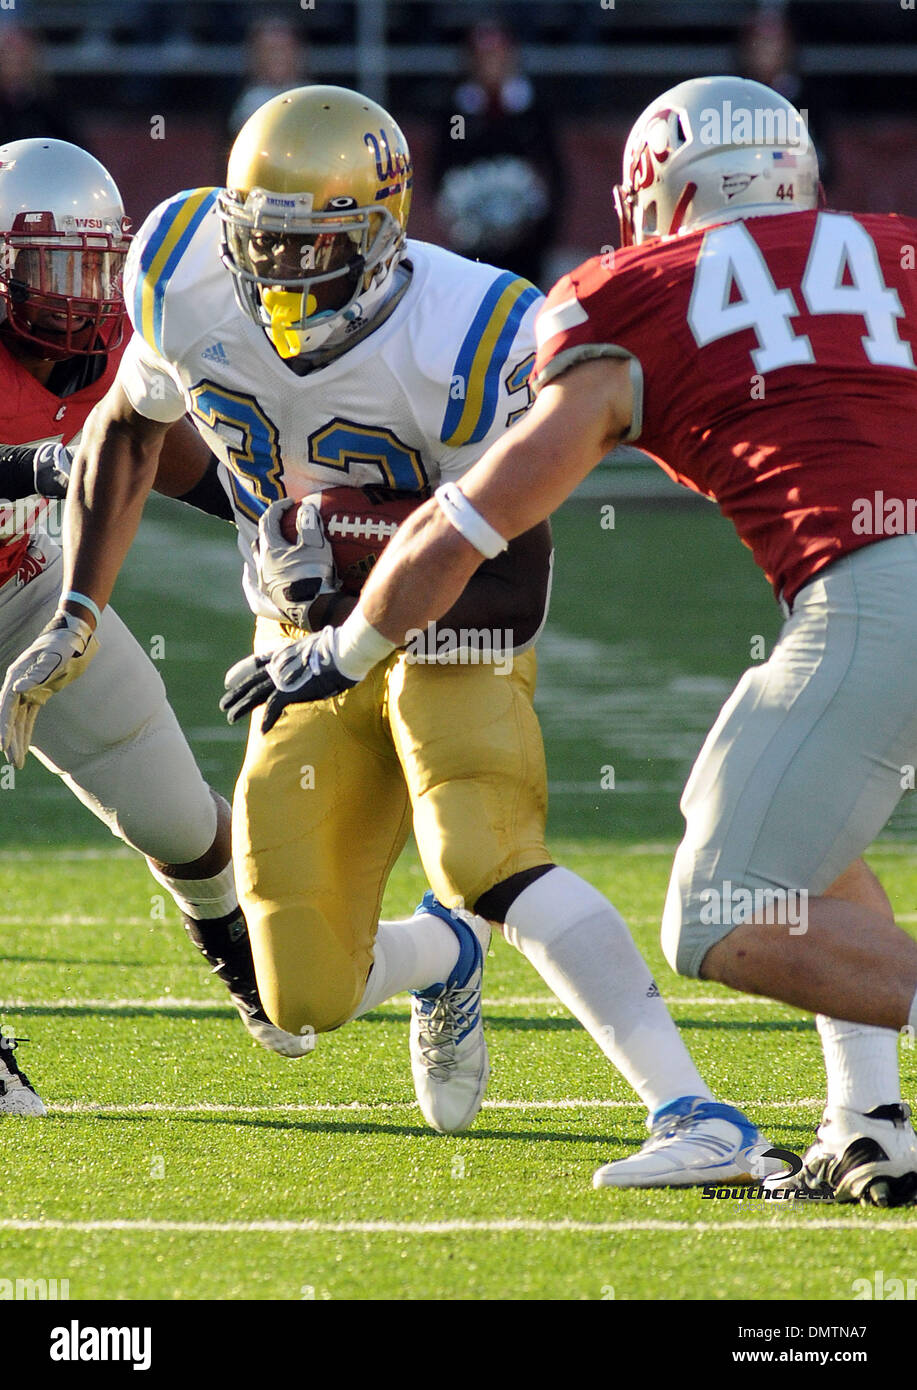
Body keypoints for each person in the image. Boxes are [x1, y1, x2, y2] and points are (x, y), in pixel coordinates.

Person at [0, 87, 780, 1186]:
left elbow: (512, 577)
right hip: (293, 640)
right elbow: (128, 433)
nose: (271, 269)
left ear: (377, 237)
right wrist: (79, 609)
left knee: (483, 853)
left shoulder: (470, 332)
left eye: (304, 246)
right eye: (256, 239)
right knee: (299, 989)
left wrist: (356, 598)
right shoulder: (180, 264)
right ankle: (443, 958)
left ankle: (696, 1114)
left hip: (447, 626)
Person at [210, 76, 917, 1208]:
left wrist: (341, 650)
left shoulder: (633, 293)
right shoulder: (893, 251)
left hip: (876, 600)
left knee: (718, 912)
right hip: (868, 599)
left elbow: (472, 518)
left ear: (660, 195)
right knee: (795, 830)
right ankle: (868, 1122)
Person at [0, 137, 309, 1116]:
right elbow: (58, 463)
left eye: (94, 266)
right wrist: (46, 470)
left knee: (178, 814)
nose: (76, 296)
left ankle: (235, 951)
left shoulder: (104, 346)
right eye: (51, 268)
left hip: (25, 593)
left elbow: (162, 459)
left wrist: (271, 505)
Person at [432, 20, 563, 289]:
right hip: (474, 246)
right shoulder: (456, 111)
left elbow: (555, 174)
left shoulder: (535, 108)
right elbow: (442, 172)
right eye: (484, 58)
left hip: (527, 248)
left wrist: (542, 234)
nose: (491, 65)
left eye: (498, 56)